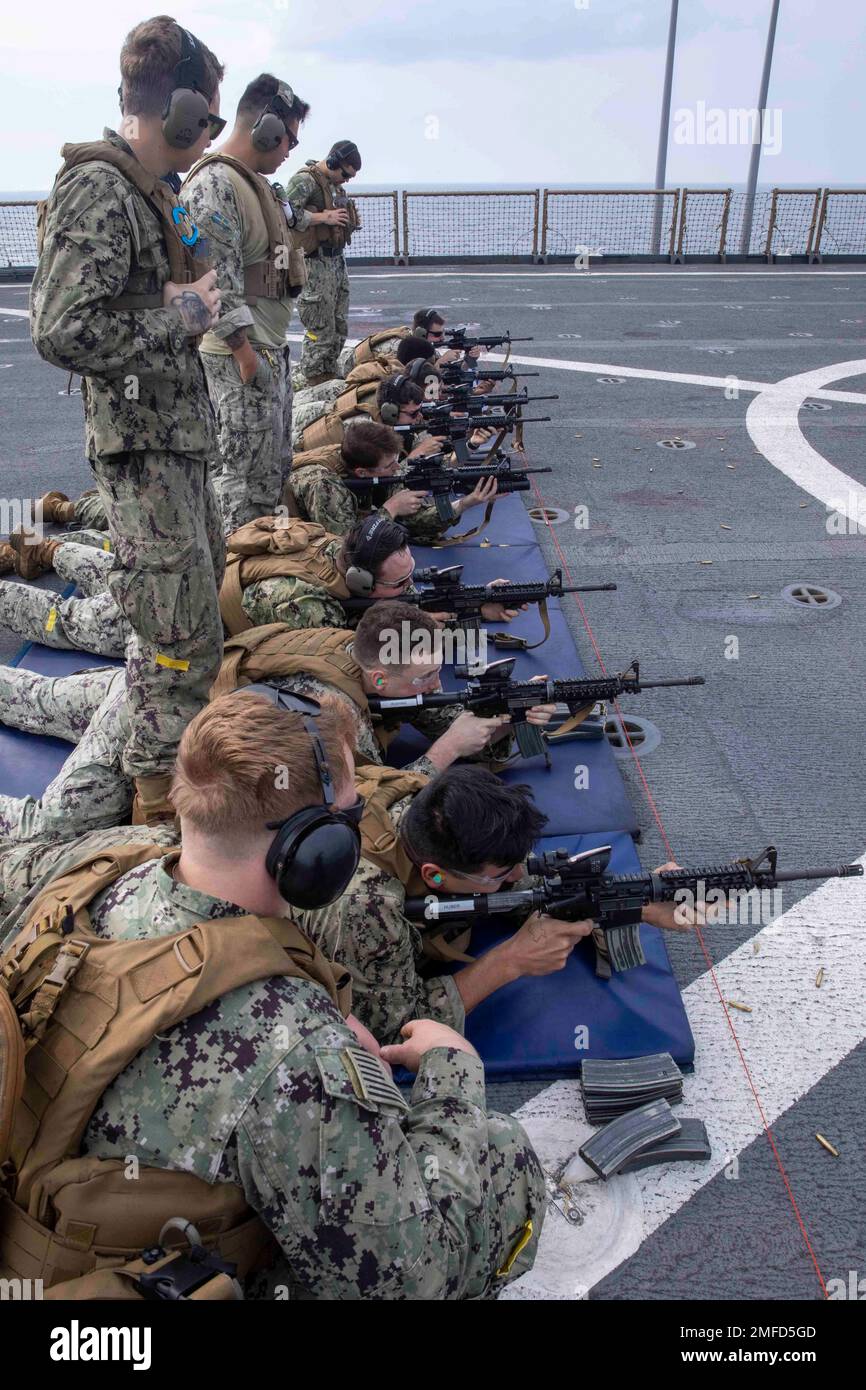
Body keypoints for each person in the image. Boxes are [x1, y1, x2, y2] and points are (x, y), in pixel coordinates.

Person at [0, 690, 545, 1299]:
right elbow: (406, 1281)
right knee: (501, 1155)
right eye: (348, 814)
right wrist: (452, 1074)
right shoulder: (294, 1052)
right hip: (146, 1270)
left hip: (40, 1213)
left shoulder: (101, 872)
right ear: (311, 849)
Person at [29, 17, 226, 825]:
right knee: (176, 644)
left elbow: (203, 268)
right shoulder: (100, 189)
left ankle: (166, 786)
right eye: (208, 118)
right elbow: (61, 330)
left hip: (174, 443)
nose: (211, 133)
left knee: (188, 628)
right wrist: (179, 319)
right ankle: (156, 812)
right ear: (181, 111)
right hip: (144, 452)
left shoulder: (157, 193)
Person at [301, 765, 708, 1044]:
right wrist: (509, 961)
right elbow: (394, 1031)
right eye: (501, 873)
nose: (517, 875)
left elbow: (527, 885)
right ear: (434, 876)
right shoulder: (364, 910)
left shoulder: (441, 815)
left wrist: (636, 901)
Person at [182, 74, 311, 534]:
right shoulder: (216, 185)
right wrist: (246, 356)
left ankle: (253, 567)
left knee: (270, 476)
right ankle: (235, 572)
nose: (290, 150)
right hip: (240, 358)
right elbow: (213, 284)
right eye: (289, 138)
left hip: (265, 354)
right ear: (266, 129)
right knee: (242, 488)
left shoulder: (255, 186)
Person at [285, 140, 362, 388]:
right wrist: (323, 217)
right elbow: (286, 215)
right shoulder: (305, 181)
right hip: (315, 263)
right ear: (333, 162)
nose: (346, 180)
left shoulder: (334, 186)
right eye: (345, 174)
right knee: (320, 325)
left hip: (336, 260)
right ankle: (314, 379)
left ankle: (329, 371)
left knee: (339, 323)